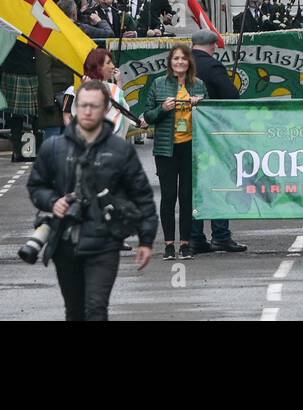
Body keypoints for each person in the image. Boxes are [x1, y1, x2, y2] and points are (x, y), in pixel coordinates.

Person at [26, 80, 156, 321]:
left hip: (104, 241)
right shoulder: (54, 147)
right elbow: (36, 185)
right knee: (74, 311)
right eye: (82, 105)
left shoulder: (119, 149)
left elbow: (142, 195)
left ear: (105, 108)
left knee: (96, 309)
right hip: (65, 242)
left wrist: (146, 239)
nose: (87, 111)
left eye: (94, 106)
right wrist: (52, 201)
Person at [140, 42, 205, 259]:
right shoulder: (158, 84)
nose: (179, 62)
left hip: (190, 147)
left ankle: (186, 243)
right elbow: (147, 116)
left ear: (189, 63)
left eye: (183, 59)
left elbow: (210, 114)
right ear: (170, 62)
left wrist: (200, 105)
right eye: (176, 58)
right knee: (168, 196)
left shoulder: (198, 85)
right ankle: (169, 244)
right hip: (165, 148)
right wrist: (162, 109)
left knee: (187, 196)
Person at [187, 29, 246, 254]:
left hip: (186, 134)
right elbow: (231, 97)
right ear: (212, 46)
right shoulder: (212, 66)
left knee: (193, 188)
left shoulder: (179, 64)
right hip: (214, 134)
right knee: (220, 183)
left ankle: (194, 236)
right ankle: (221, 235)